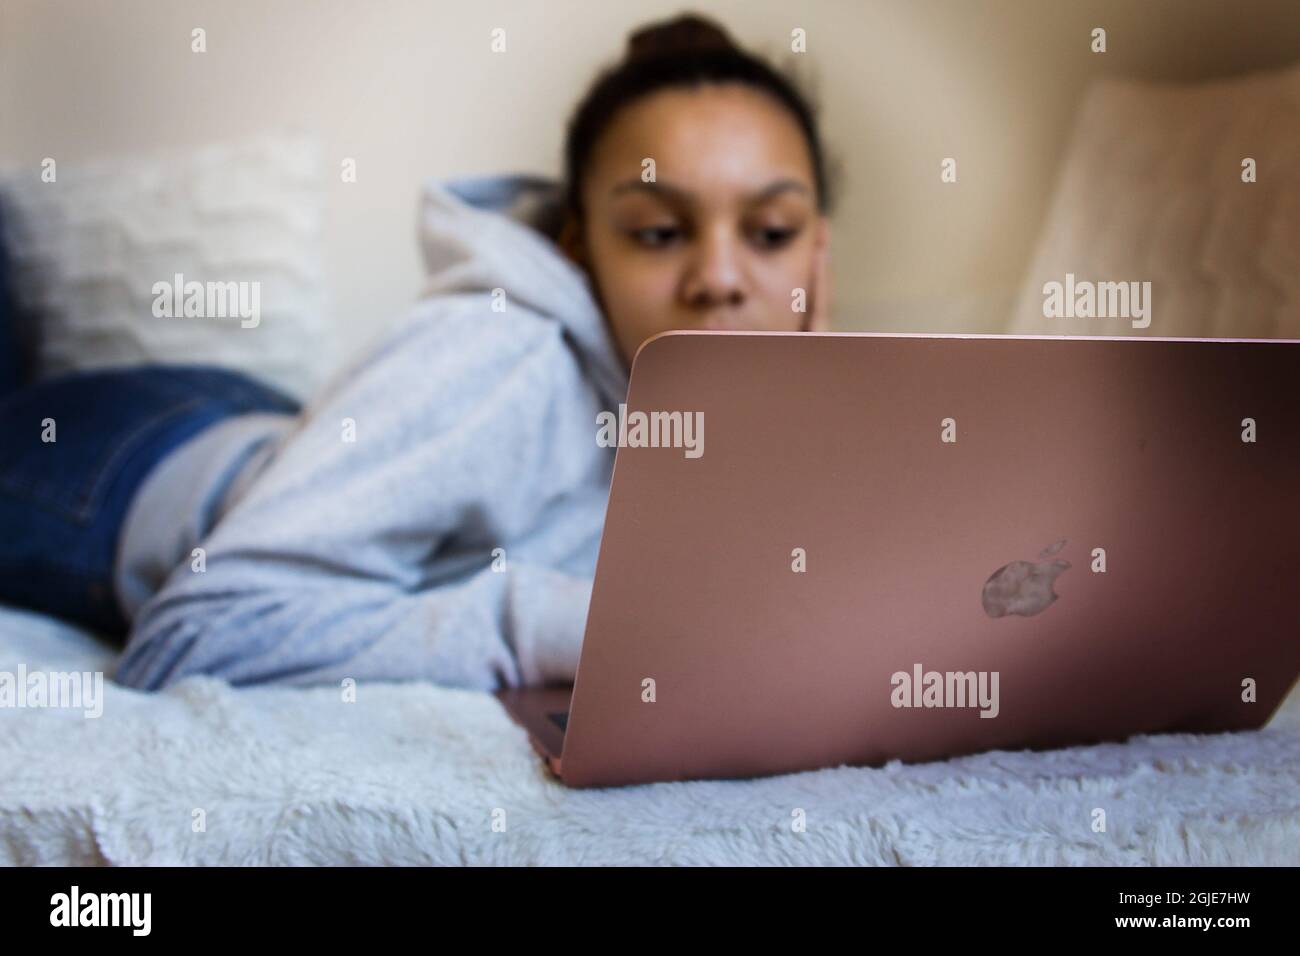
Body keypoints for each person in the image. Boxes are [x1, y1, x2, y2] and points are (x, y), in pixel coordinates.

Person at [0, 12, 837, 690]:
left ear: (818, 252)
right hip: (108, 470)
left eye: (772, 232)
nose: (723, 278)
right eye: (657, 232)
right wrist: (541, 624)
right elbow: (197, 628)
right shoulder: (500, 360)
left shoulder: (747, 411)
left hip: (257, 422)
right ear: (578, 251)